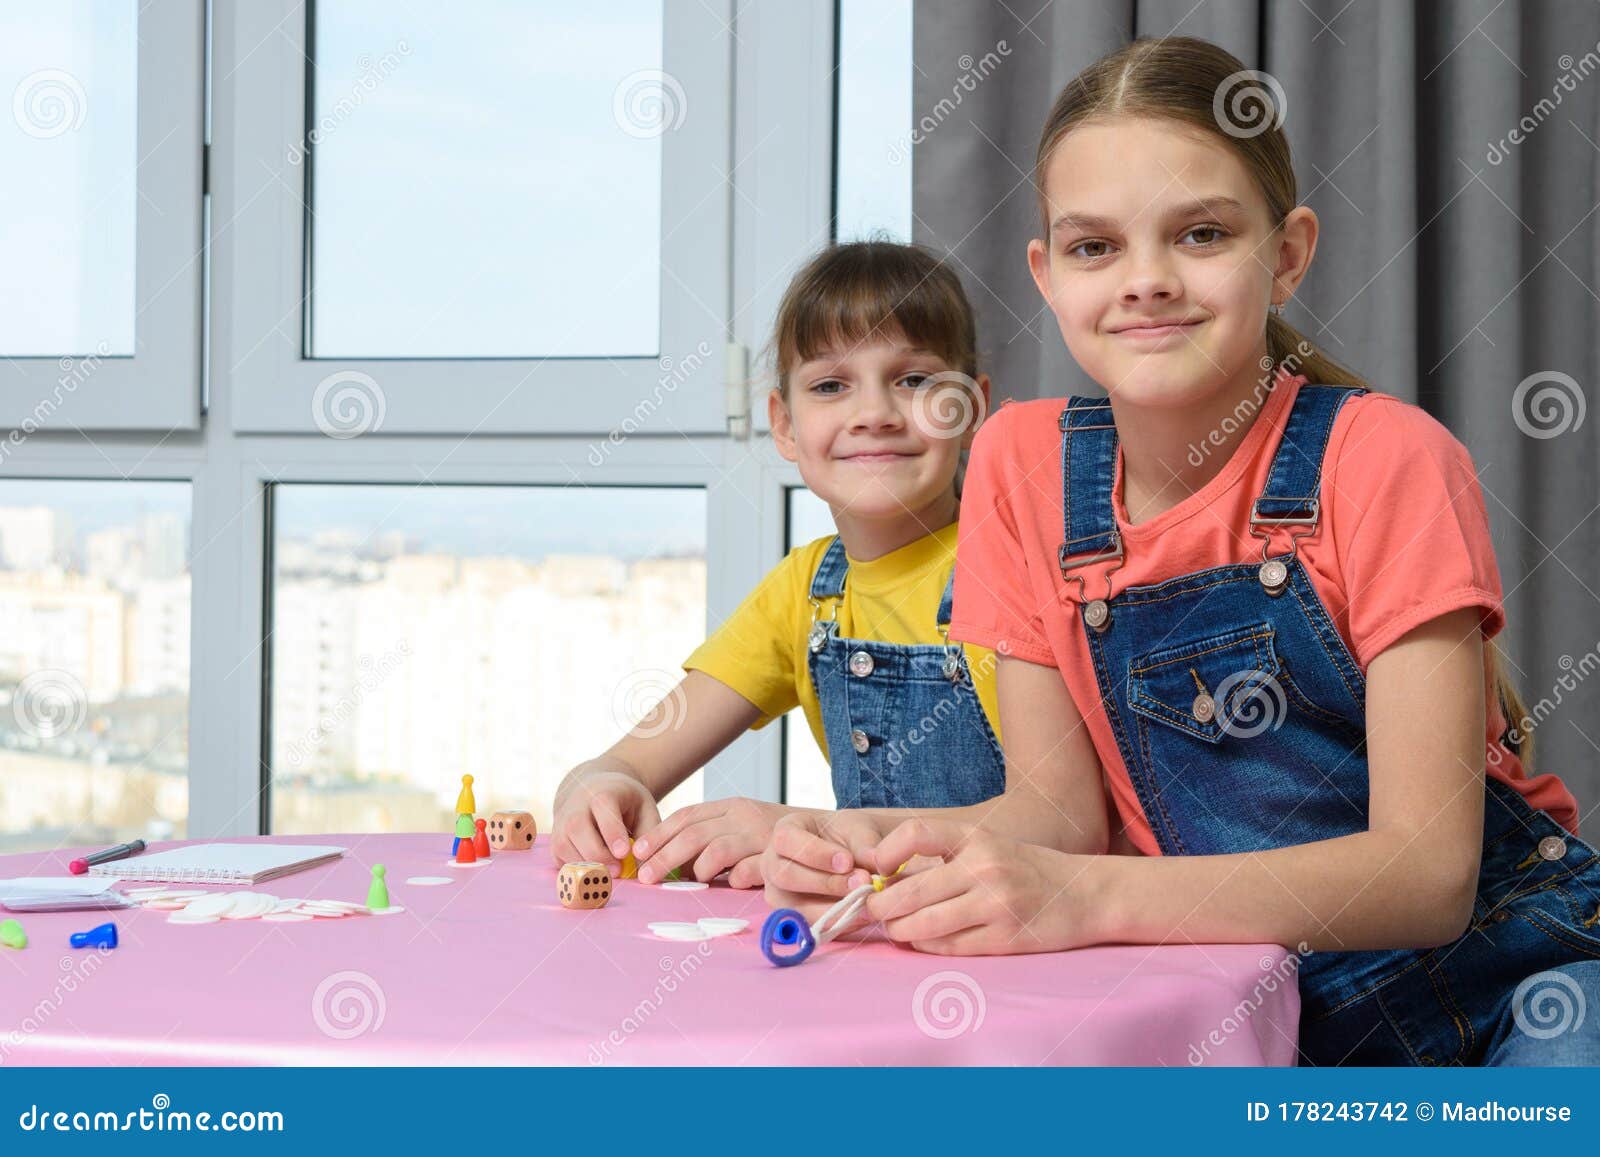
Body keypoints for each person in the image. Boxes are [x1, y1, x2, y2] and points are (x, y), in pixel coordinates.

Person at [762, 37, 1599, 1066]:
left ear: (1287, 252)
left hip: (1520, 985)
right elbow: (1054, 814)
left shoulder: (1384, 456)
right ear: (1046, 272)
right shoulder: (1020, 466)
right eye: (1094, 246)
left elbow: (1427, 877)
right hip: (1253, 1006)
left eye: (1200, 233)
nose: (1145, 281)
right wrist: (865, 840)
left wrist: (1087, 897)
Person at [550, 241, 1012, 888]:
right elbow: (620, 763)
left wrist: (801, 830)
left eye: (913, 380)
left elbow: (1057, 823)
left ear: (971, 410)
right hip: (871, 937)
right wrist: (596, 790)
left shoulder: (1015, 568)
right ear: (785, 425)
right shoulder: (805, 590)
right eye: (830, 385)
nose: (874, 414)